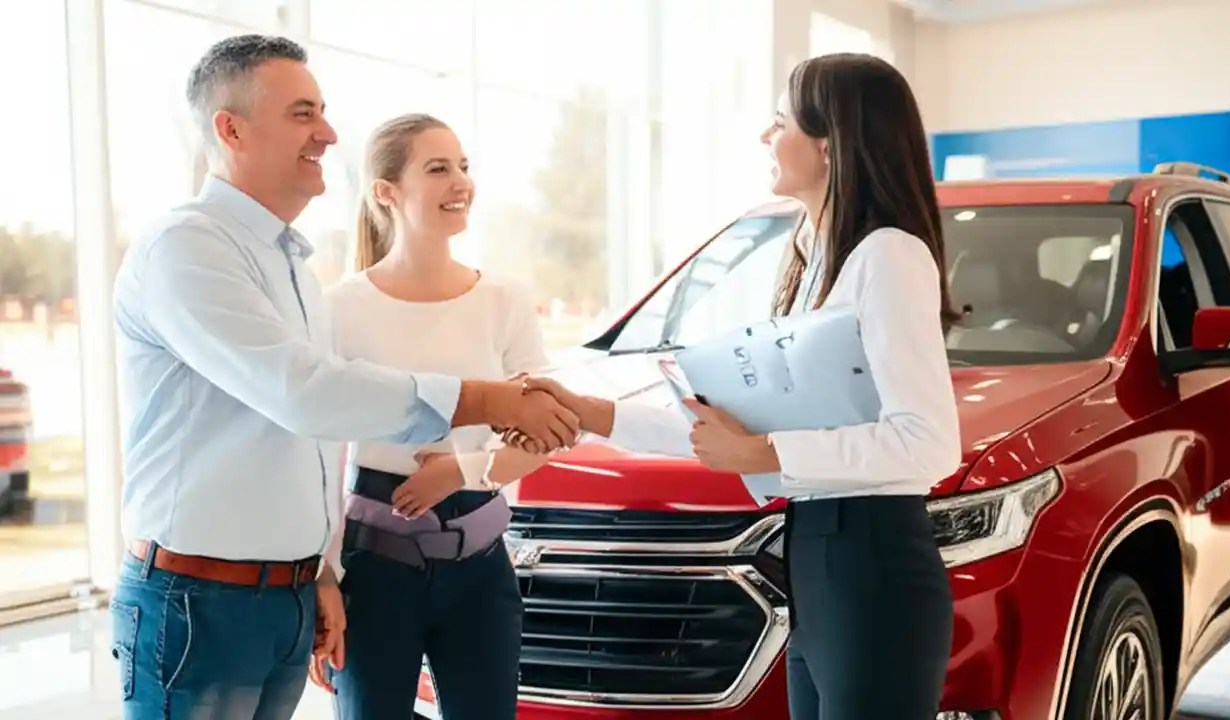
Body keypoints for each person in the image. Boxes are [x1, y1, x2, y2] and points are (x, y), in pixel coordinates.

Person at [110, 35, 577, 720]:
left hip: (286, 594)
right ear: (230, 129)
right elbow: (306, 395)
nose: (328, 134)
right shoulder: (188, 245)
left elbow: (314, 448)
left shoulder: (291, 264)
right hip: (199, 601)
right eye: (304, 114)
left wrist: (317, 569)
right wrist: (482, 399)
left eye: (324, 113)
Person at [517, 53, 962, 719]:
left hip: (873, 564)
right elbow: (735, 429)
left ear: (828, 143)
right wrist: (590, 413)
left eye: (779, 121)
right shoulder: (820, 262)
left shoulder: (889, 256)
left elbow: (928, 444)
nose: (765, 136)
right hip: (819, 558)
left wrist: (769, 454)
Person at [306, 112, 550, 719]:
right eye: (438, 168)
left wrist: (461, 469)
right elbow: (316, 454)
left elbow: (547, 434)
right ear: (387, 191)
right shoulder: (338, 308)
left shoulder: (506, 300)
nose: (460, 182)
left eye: (464, 166)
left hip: (482, 569)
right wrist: (322, 574)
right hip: (373, 570)